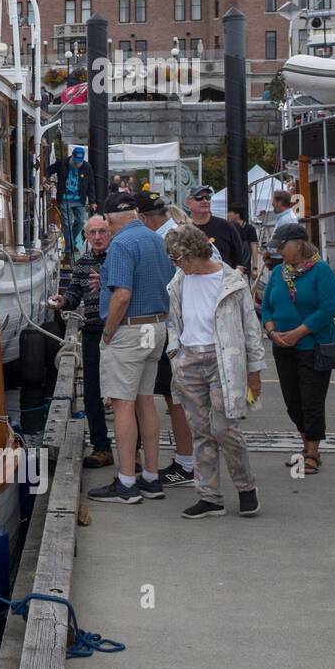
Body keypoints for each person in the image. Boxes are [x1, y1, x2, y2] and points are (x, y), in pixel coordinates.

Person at [164, 225, 265, 519]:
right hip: (189, 359)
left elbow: (250, 327)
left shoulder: (232, 280)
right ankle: (209, 496)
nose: (177, 264)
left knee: (225, 428)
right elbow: (174, 321)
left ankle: (246, 488)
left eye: (178, 259)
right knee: (201, 431)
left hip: (224, 361)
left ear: (194, 254)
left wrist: (255, 370)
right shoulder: (180, 279)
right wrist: (176, 353)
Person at [87, 191, 175, 505]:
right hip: (157, 326)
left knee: (123, 405)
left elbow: (122, 295)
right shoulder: (156, 239)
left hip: (129, 329)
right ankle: (151, 477)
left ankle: (126, 482)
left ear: (111, 218)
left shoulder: (122, 244)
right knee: (145, 401)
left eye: (106, 224)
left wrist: (108, 332)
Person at [262, 222, 335, 475]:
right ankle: (305, 444)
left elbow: (328, 308)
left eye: (282, 247)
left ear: (298, 244)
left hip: (312, 346)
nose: (278, 252)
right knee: (292, 401)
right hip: (282, 345)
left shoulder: (320, 271)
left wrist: (299, 332)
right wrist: (271, 330)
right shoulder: (278, 273)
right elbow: (267, 307)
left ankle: (312, 451)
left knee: (311, 400)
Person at [136, 191, 196, 487]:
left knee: (177, 399)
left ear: (143, 218)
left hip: (177, 332)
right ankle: (188, 460)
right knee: (180, 399)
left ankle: (186, 463)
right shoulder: (182, 234)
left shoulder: (161, 242)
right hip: (188, 330)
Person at [48, 215, 114, 468]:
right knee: (92, 392)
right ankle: (101, 447)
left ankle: (135, 452)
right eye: (92, 233)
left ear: (110, 233)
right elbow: (75, 293)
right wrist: (63, 301)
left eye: (102, 232)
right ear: (85, 236)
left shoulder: (118, 258)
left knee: (125, 394)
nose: (97, 237)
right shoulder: (83, 262)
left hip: (118, 331)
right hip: (93, 330)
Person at [47, 146, 96, 258]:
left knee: (80, 222)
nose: (77, 164)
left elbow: (91, 184)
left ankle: (71, 243)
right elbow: (49, 169)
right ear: (72, 157)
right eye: (75, 161)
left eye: (80, 162)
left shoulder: (87, 167)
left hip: (79, 199)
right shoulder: (63, 163)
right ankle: (69, 250)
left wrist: (92, 201)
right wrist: (46, 178)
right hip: (64, 199)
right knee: (67, 223)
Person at [185, 185, 245, 268]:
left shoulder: (225, 226)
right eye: (199, 198)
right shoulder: (185, 230)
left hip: (223, 278)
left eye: (207, 197)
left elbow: (238, 255)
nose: (205, 201)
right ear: (189, 203)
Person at [228, 203, 260, 279]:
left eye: (230, 212)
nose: (228, 214)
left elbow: (254, 249)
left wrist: (255, 268)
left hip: (245, 269)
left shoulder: (250, 229)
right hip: (230, 268)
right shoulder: (227, 228)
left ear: (237, 214)